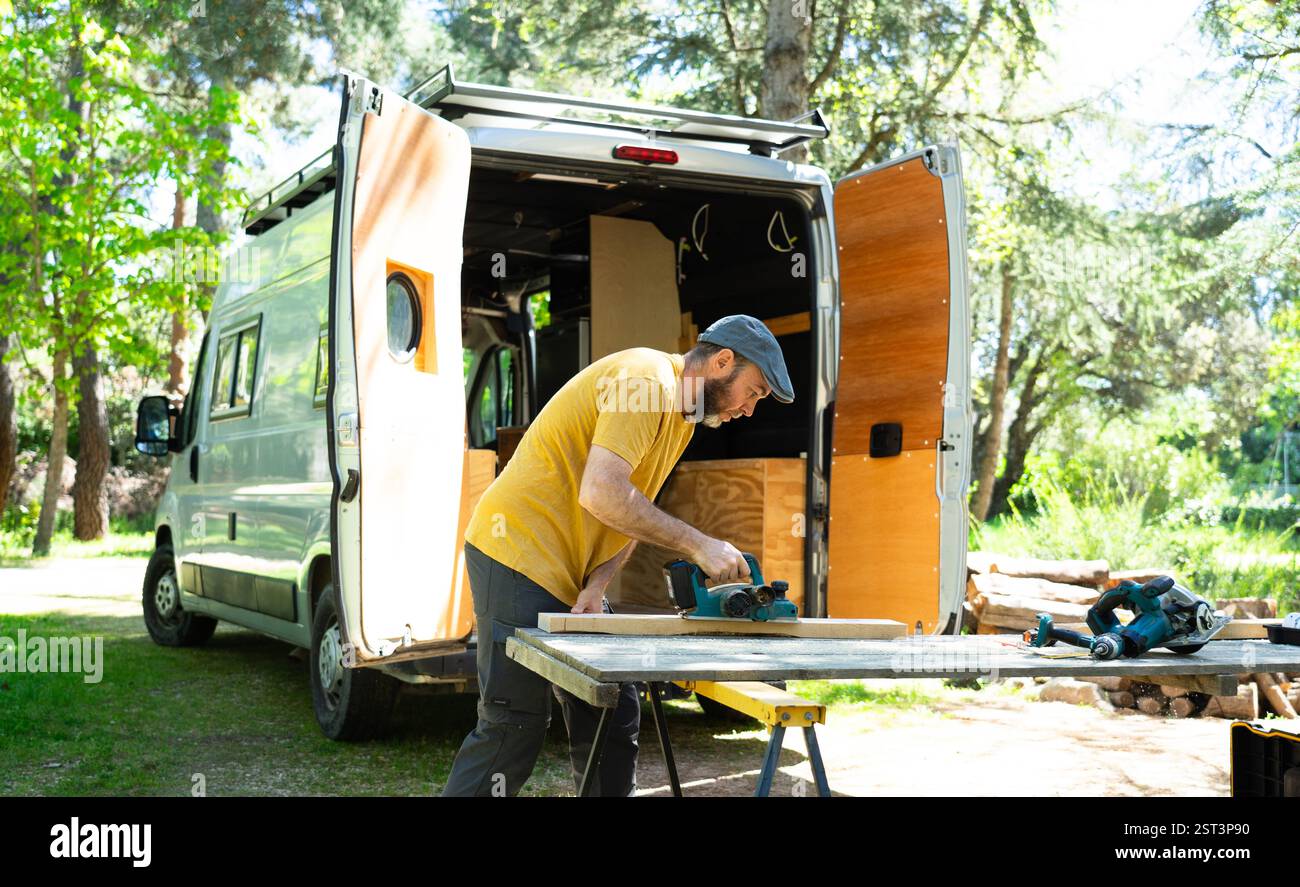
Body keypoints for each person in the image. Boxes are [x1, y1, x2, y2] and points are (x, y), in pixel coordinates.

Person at [440, 314, 794, 797]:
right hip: (515, 552)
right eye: (752, 392)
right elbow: (603, 494)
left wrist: (598, 585)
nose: (749, 411)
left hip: (572, 571)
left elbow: (629, 506)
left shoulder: (681, 419)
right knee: (514, 722)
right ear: (723, 362)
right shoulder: (646, 381)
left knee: (612, 708)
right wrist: (698, 544)